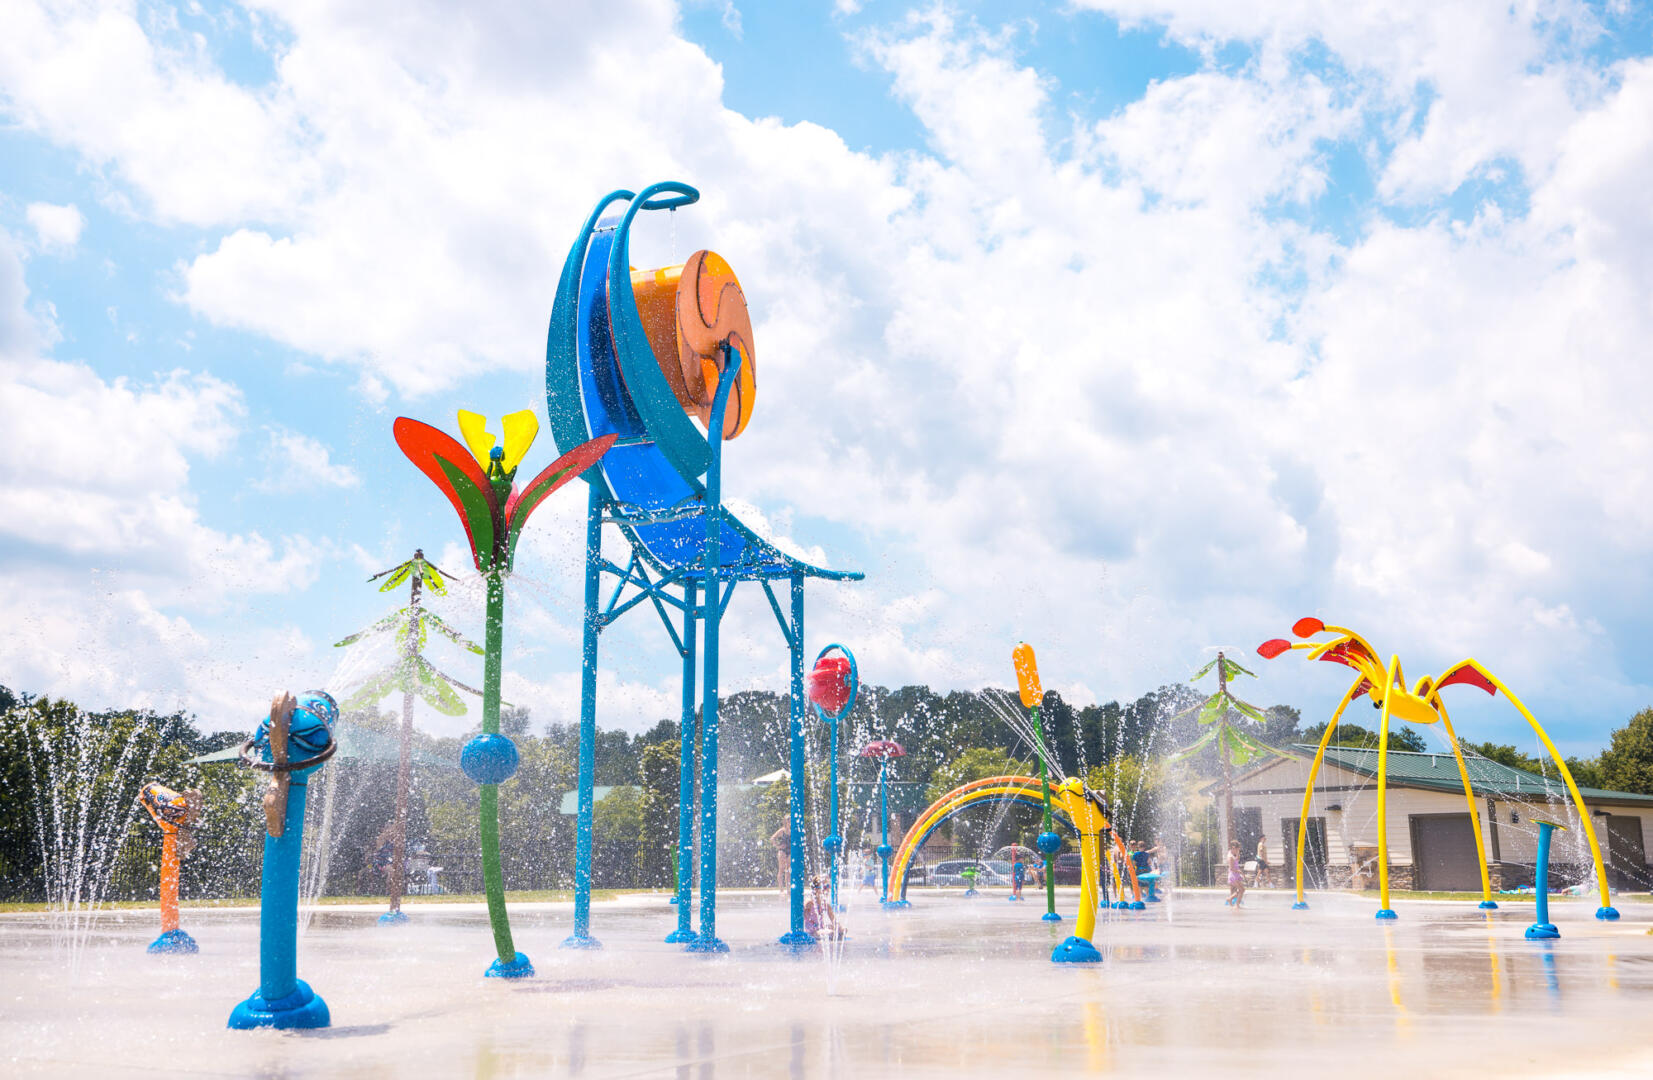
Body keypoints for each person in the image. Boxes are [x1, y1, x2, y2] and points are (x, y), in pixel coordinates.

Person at [803, 875, 843, 940]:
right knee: (832, 933)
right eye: (824, 887)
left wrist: (840, 929)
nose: (827, 890)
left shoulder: (825, 905)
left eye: (828, 886)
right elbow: (799, 916)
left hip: (820, 929)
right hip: (812, 932)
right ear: (815, 889)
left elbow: (834, 921)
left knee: (840, 931)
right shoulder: (809, 903)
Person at [1226, 840, 1246, 907]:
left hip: (1235, 875)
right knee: (1242, 890)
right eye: (1237, 849)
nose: (1238, 851)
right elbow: (1231, 868)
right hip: (1233, 875)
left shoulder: (1232, 854)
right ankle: (1236, 904)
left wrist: (1237, 854)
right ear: (1233, 847)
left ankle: (1231, 899)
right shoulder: (1230, 857)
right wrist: (1240, 872)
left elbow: (1237, 860)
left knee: (1242, 890)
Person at [771, 825, 790, 892]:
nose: (789, 822)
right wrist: (777, 846)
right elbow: (772, 838)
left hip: (790, 851)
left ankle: (788, 889)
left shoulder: (793, 830)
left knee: (788, 870)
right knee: (781, 869)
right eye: (788, 820)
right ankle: (781, 889)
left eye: (790, 820)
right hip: (782, 851)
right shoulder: (782, 830)